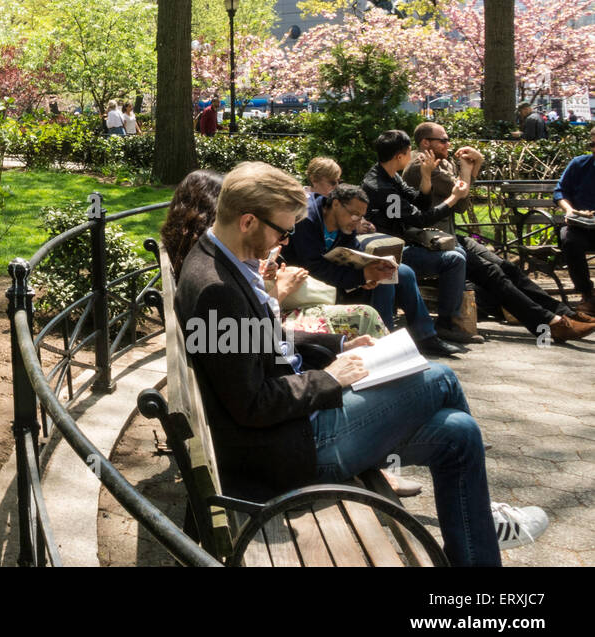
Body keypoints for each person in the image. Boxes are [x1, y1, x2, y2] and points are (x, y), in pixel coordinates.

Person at [174, 161, 548, 566]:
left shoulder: (220, 259)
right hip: (286, 450)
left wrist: (337, 343)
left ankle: (477, 550)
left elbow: (256, 345)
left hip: (292, 426)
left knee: (459, 432)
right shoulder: (217, 289)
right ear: (248, 221)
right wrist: (328, 377)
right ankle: (485, 522)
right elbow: (251, 404)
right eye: (282, 230)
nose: (284, 240)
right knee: (438, 377)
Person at [406, 120, 593, 342]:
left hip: (451, 236)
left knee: (506, 267)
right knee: (493, 274)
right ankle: (550, 324)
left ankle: (565, 313)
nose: (449, 144)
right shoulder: (422, 166)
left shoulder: (443, 164)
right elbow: (462, 196)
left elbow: (463, 204)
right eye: (443, 140)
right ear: (426, 142)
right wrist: (469, 168)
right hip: (432, 241)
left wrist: (470, 170)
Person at [163, 171, 386, 342]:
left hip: (280, 343)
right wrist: (281, 288)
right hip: (282, 346)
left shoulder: (206, 255)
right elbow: (253, 340)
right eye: (282, 232)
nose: (286, 241)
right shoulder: (215, 283)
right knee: (366, 317)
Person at [284, 184, 461, 358]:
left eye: (361, 217)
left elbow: (352, 249)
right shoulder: (307, 220)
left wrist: (369, 269)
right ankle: (384, 342)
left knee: (402, 272)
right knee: (383, 282)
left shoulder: (345, 222)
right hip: (310, 282)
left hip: (339, 276)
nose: (357, 221)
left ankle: (426, 336)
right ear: (336, 203)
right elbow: (313, 267)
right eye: (354, 215)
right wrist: (362, 276)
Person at [363, 129, 474, 345]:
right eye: (409, 151)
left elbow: (418, 202)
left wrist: (425, 175)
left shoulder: (389, 175)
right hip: (389, 251)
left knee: (457, 252)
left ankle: (442, 325)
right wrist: (454, 198)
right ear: (400, 156)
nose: (412, 154)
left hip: (398, 245)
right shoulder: (382, 188)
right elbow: (422, 219)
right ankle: (445, 324)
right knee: (455, 259)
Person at [554, 129, 595, 321]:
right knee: (570, 241)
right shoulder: (579, 164)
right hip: (579, 224)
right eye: (592, 145)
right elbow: (559, 192)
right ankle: (587, 293)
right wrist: (570, 210)